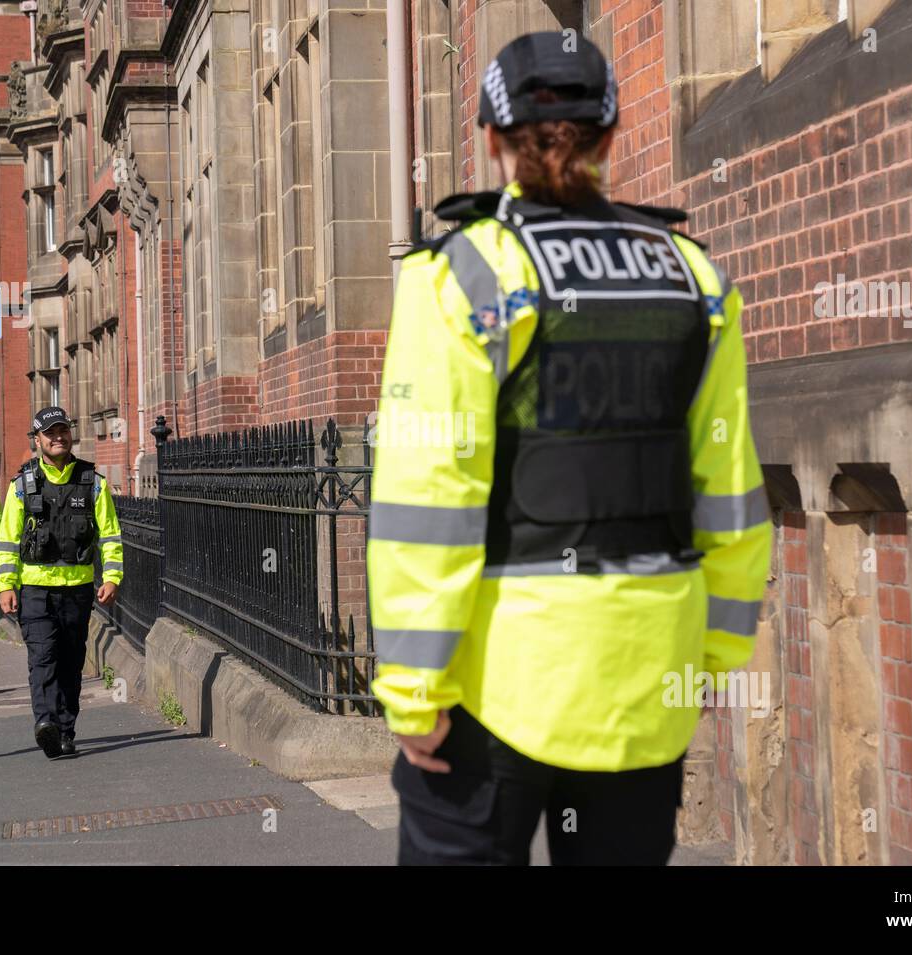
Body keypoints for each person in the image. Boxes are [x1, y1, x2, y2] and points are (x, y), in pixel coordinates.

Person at [367, 32, 772, 865]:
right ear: (611, 138)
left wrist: (414, 688)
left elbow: (428, 497)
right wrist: (711, 658)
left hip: (495, 691)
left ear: (490, 139)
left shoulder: (464, 277)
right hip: (648, 679)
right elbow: (729, 492)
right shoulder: (693, 276)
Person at [0, 407, 122, 759]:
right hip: (35, 590)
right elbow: (6, 540)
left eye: (63, 430)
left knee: (70, 662)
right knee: (43, 657)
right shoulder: (22, 485)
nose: (58, 437)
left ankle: (65, 730)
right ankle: (45, 723)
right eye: (50, 433)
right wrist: (5, 584)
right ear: (37, 440)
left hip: (77, 590)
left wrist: (111, 576)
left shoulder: (93, 482)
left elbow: (110, 535)